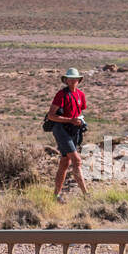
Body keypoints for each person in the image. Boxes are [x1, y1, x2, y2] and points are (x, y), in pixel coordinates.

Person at [48, 67, 89, 200]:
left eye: (74, 79)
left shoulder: (80, 95)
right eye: (69, 79)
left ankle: (56, 196)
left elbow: (78, 111)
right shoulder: (61, 94)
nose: (72, 81)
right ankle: (86, 195)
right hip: (61, 130)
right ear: (66, 80)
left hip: (73, 130)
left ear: (79, 80)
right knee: (77, 161)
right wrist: (71, 120)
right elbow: (51, 116)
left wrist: (79, 121)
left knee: (65, 162)